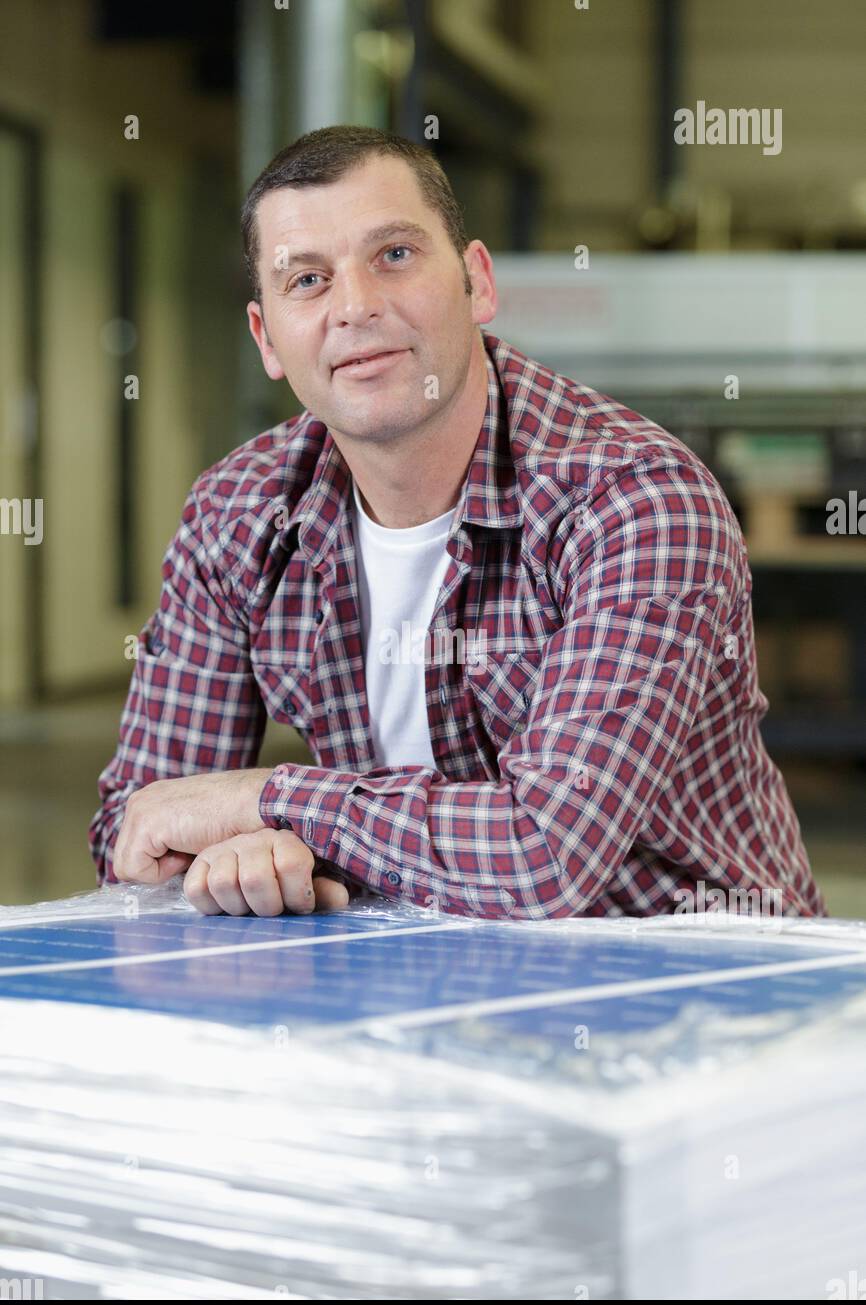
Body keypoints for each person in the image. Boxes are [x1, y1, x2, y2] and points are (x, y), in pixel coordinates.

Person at [89, 125, 826, 922]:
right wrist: (257, 854)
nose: (357, 306)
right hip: (431, 984)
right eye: (307, 279)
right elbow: (140, 827)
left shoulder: (638, 502)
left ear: (477, 282)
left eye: (395, 255)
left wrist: (272, 799)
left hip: (712, 996)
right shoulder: (239, 516)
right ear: (268, 337)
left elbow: (546, 857)